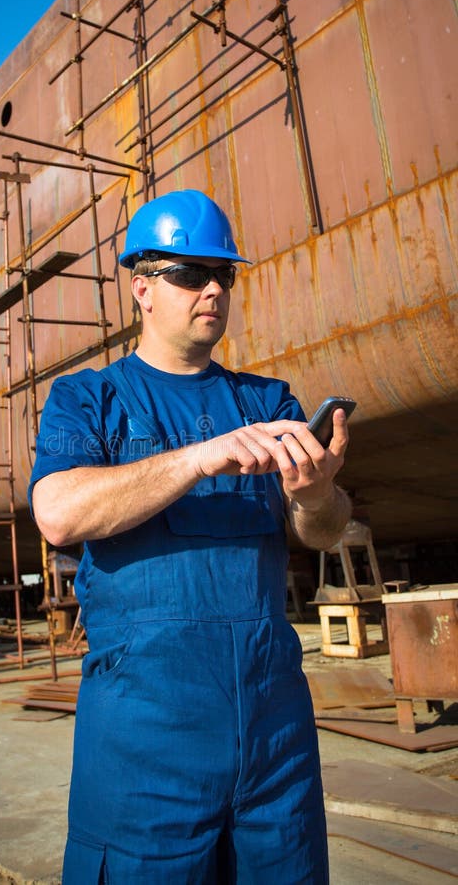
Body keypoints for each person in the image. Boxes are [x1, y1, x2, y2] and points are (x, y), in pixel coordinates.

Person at [29, 189, 351, 884]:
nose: (213, 288)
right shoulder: (87, 400)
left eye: (224, 275)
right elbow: (58, 512)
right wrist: (201, 456)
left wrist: (318, 494)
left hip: (275, 739)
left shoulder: (269, 404)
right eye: (191, 273)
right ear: (141, 288)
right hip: (146, 745)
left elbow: (324, 534)